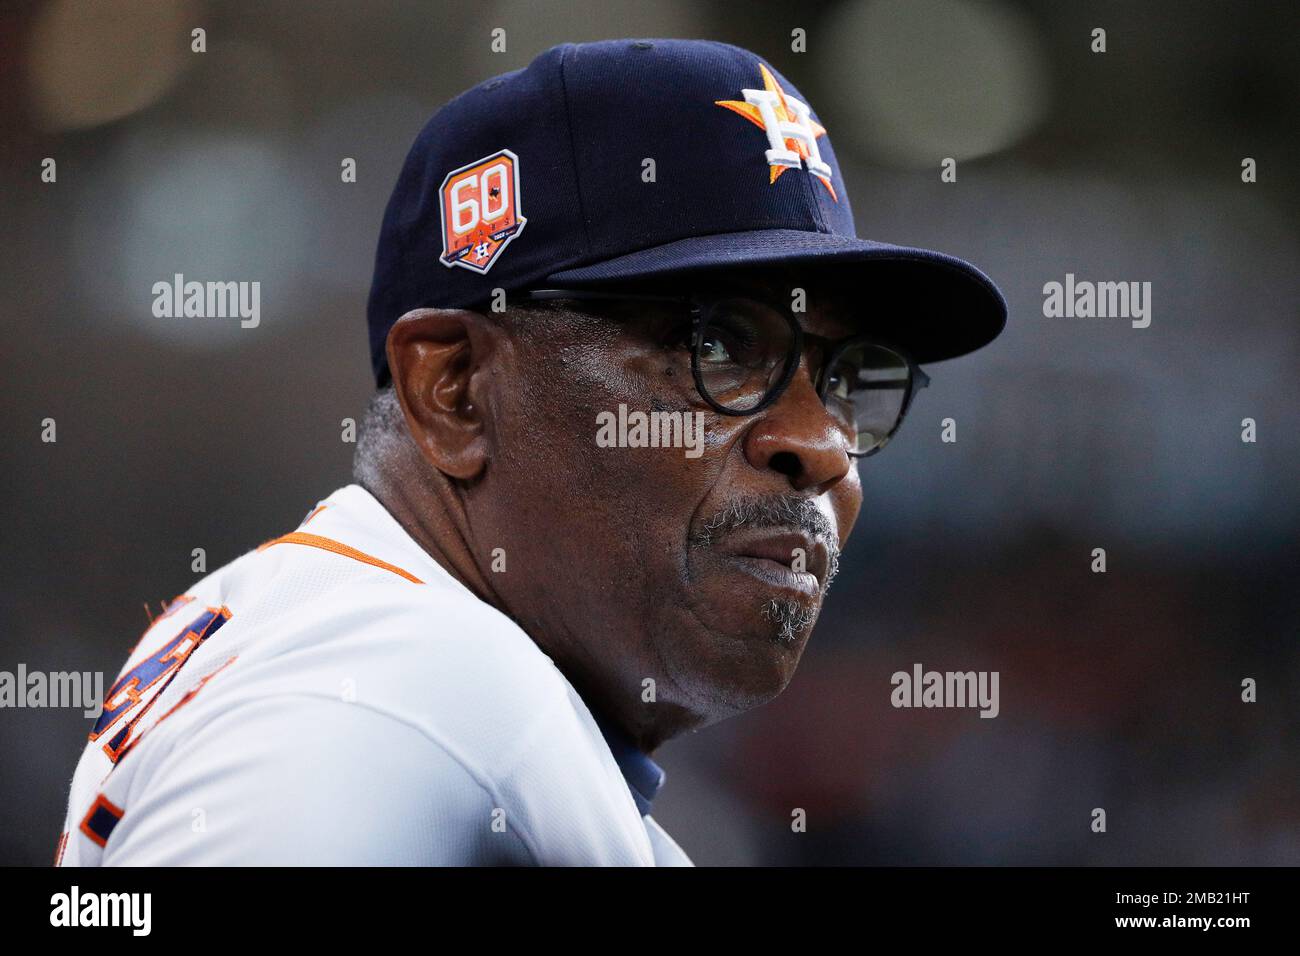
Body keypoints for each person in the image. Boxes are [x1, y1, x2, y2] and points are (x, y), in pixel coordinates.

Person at [57, 38, 1005, 866]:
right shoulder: (410, 684)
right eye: (719, 344)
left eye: (845, 378)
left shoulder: (332, 629)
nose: (820, 446)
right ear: (456, 391)